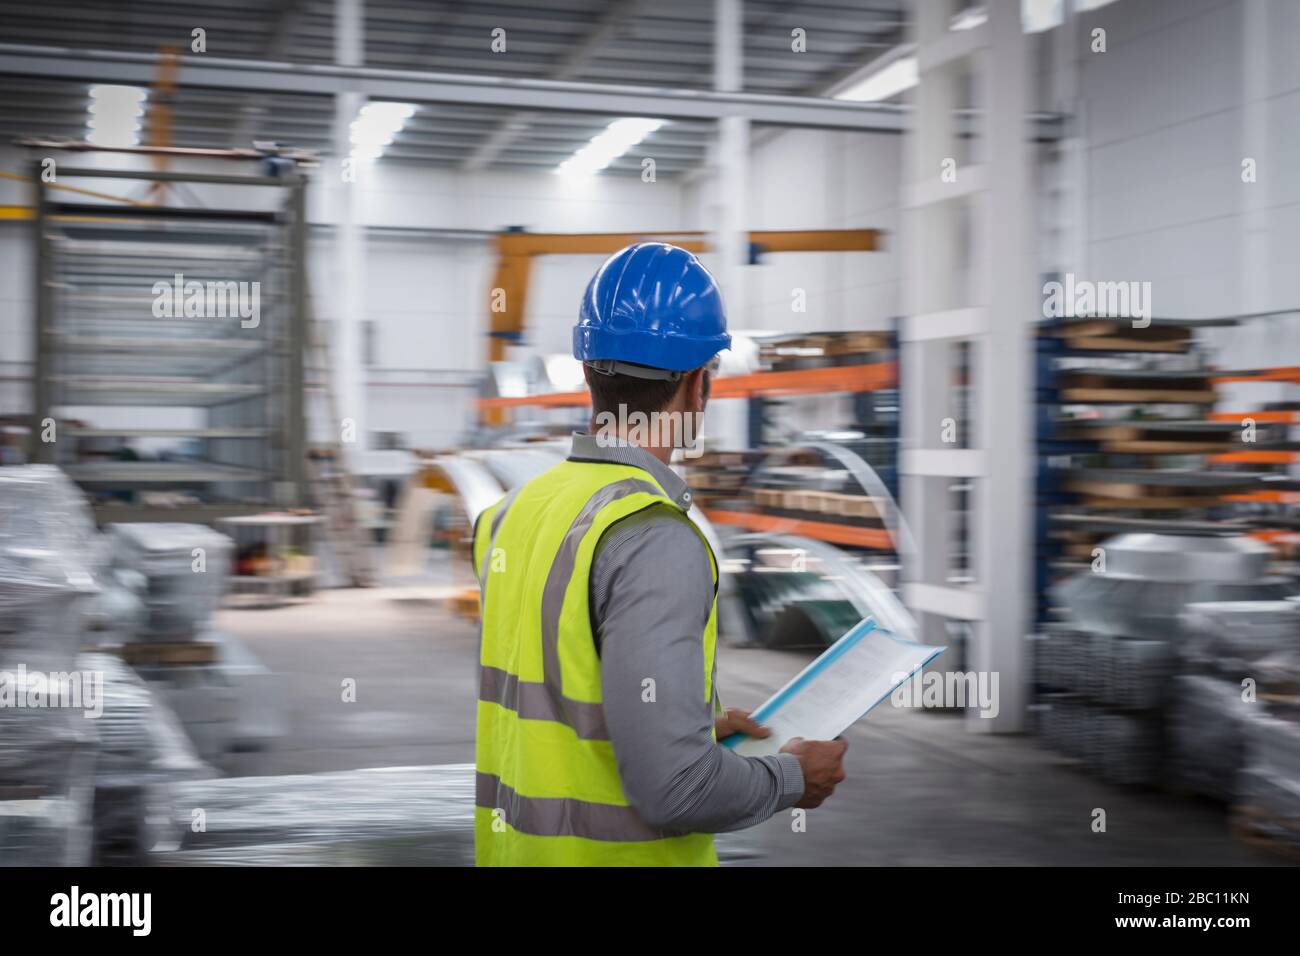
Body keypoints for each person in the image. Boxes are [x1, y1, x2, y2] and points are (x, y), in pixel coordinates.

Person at [473, 241, 847, 866]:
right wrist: (792, 778)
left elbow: (566, 695)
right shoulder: (654, 537)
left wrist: (688, 723)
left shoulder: (511, 512)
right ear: (701, 384)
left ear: (588, 371)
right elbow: (675, 790)